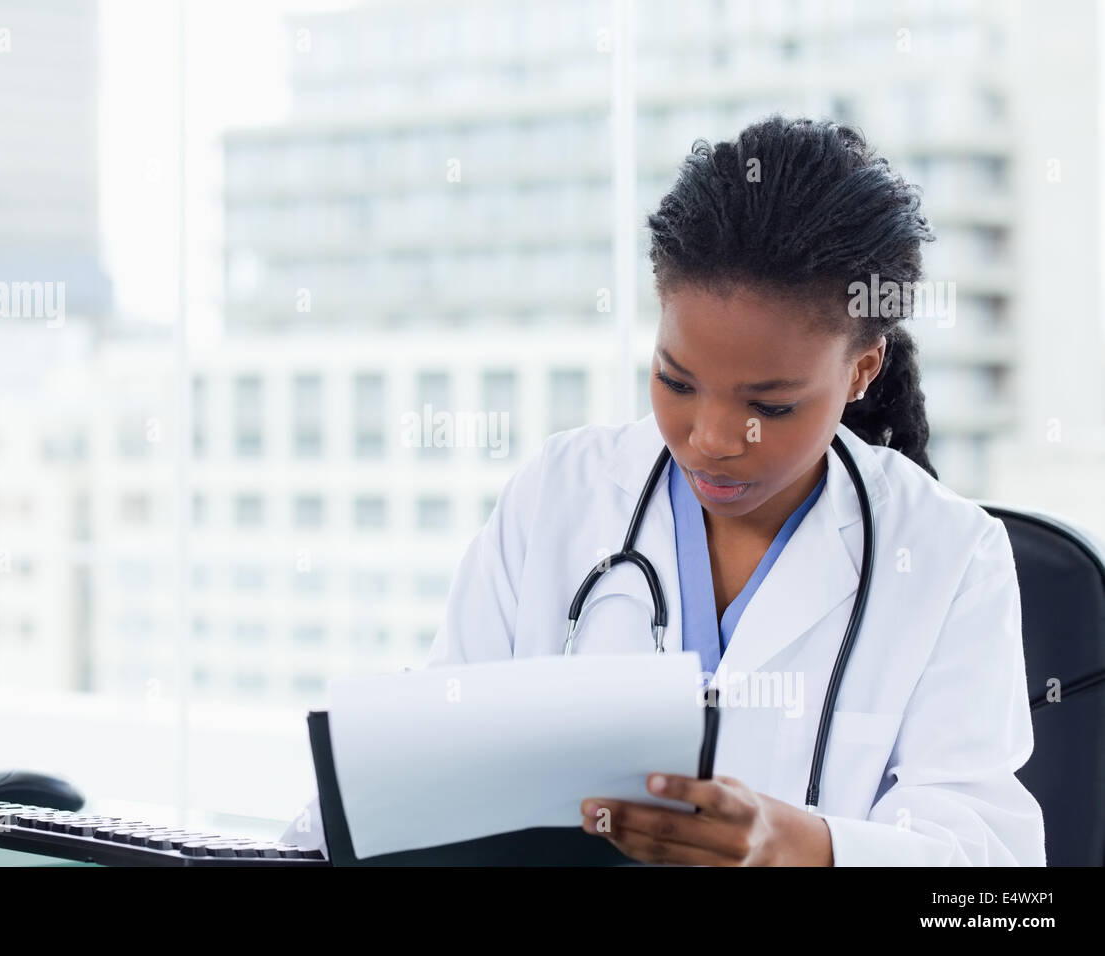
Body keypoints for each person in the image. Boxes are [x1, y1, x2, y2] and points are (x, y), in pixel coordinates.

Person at [281, 115, 1046, 866]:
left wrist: (804, 849)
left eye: (769, 405)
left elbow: (990, 878)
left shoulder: (951, 557)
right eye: (676, 381)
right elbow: (434, 761)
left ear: (861, 370)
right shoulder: (560, 496)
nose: (711, 438)